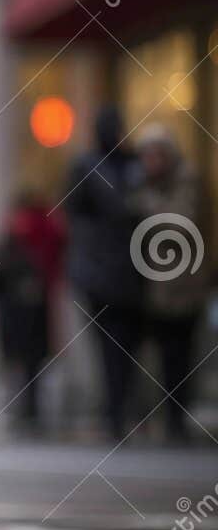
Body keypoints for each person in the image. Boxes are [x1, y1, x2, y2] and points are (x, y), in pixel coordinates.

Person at [65, 106, 144, 441]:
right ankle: (115, 412)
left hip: (132, 271)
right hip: (100, 275)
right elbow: (74, 215)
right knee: (109, 347)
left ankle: (124, 407)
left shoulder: (132, 166)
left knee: (129, 345)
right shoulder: (86, 167)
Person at [129, 126, 209, 442]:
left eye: (155, 155)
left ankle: (177, 418)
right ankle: (159, 417)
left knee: (182, 355)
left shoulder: (186, 179)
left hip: (184, 287)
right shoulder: (146, 184)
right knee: (156, 357)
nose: (150, 162)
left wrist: (147, 208)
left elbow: (179, 222)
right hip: (154, 289)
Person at [0, 193, 65, 431]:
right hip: (13, 318)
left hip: (32, 319)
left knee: (32, 368)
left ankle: (30, 411)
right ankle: (18, 411)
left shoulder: (40, 244)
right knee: (16, 367)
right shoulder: (4, 248)